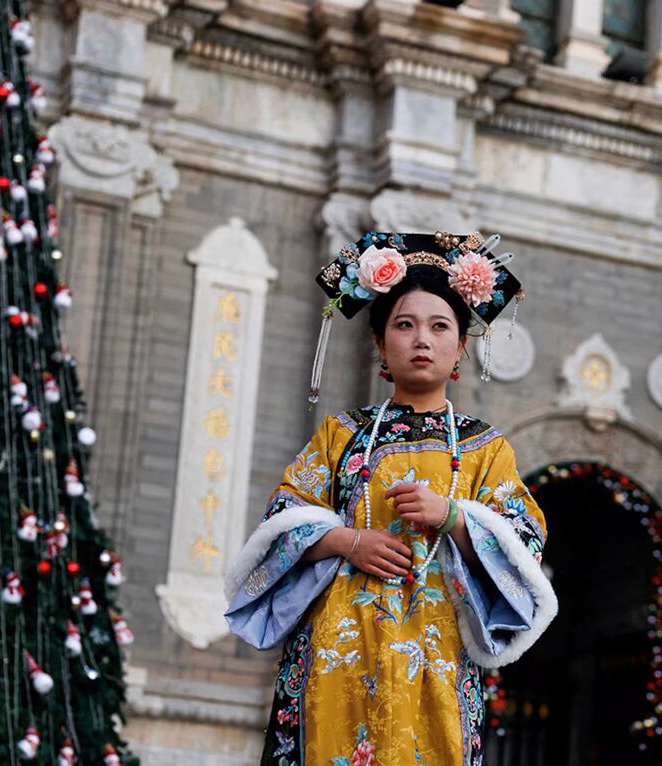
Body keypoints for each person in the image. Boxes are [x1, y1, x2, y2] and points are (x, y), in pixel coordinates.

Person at [224, 232, 557, 764]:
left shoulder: (485, 448)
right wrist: (347, 541)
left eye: (439, 326)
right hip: (337, 653)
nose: (422, 339)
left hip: (438, 654)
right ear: (380, 344)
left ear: (461, 348)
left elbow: (525, 543)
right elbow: (280, 521)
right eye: (404, 325)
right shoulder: (340, 434)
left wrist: (451, 515)